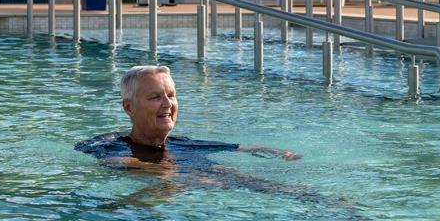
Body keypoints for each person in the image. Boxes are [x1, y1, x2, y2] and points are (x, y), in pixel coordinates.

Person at [77, 65, 300, 171]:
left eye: (171, 96)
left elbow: (240, 147)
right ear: (129, 107)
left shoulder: (182, 144)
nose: (167, 104)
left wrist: (280, 153)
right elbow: (113, 162)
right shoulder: (110, 146)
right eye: (156, 97)